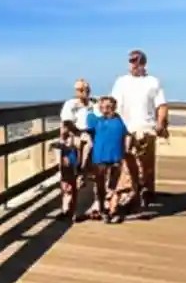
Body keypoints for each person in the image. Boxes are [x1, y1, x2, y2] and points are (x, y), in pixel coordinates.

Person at [110, 49, 168, 209]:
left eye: (137, 60)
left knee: (145, 165)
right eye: (131, 60)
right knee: (127, 163)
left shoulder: (153, 81)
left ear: (144, 62)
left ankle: (146, 194)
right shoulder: (121, 81)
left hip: (146, 128)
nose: (134, 64)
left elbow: (161, 105)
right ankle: (130, 194)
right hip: (124, 129)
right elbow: (111, 105)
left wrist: (161, 123)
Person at [84, 96, 130, 223]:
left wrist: (126, 151)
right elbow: (88, 120)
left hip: (116, 157)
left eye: (108, 107)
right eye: (102, 107)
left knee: (114, 186)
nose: (105, 110)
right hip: (100, 157)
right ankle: (102, 209)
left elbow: (126, 136)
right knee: (100, 185)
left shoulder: (119, 121)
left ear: (114, 108)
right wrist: (93, 107)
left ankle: (113, 210)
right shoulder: (96, 121)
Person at [55, 78, 93, 220]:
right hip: (73, 138)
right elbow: (67, 123)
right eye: (80, 89)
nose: (84, 92)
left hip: (89, 139)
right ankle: (67, 209)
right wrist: (78, 133)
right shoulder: (70, 104)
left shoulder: (93, 105)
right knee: (67, 176)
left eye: (86, 89)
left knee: (85, 176)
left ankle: (81, 210)